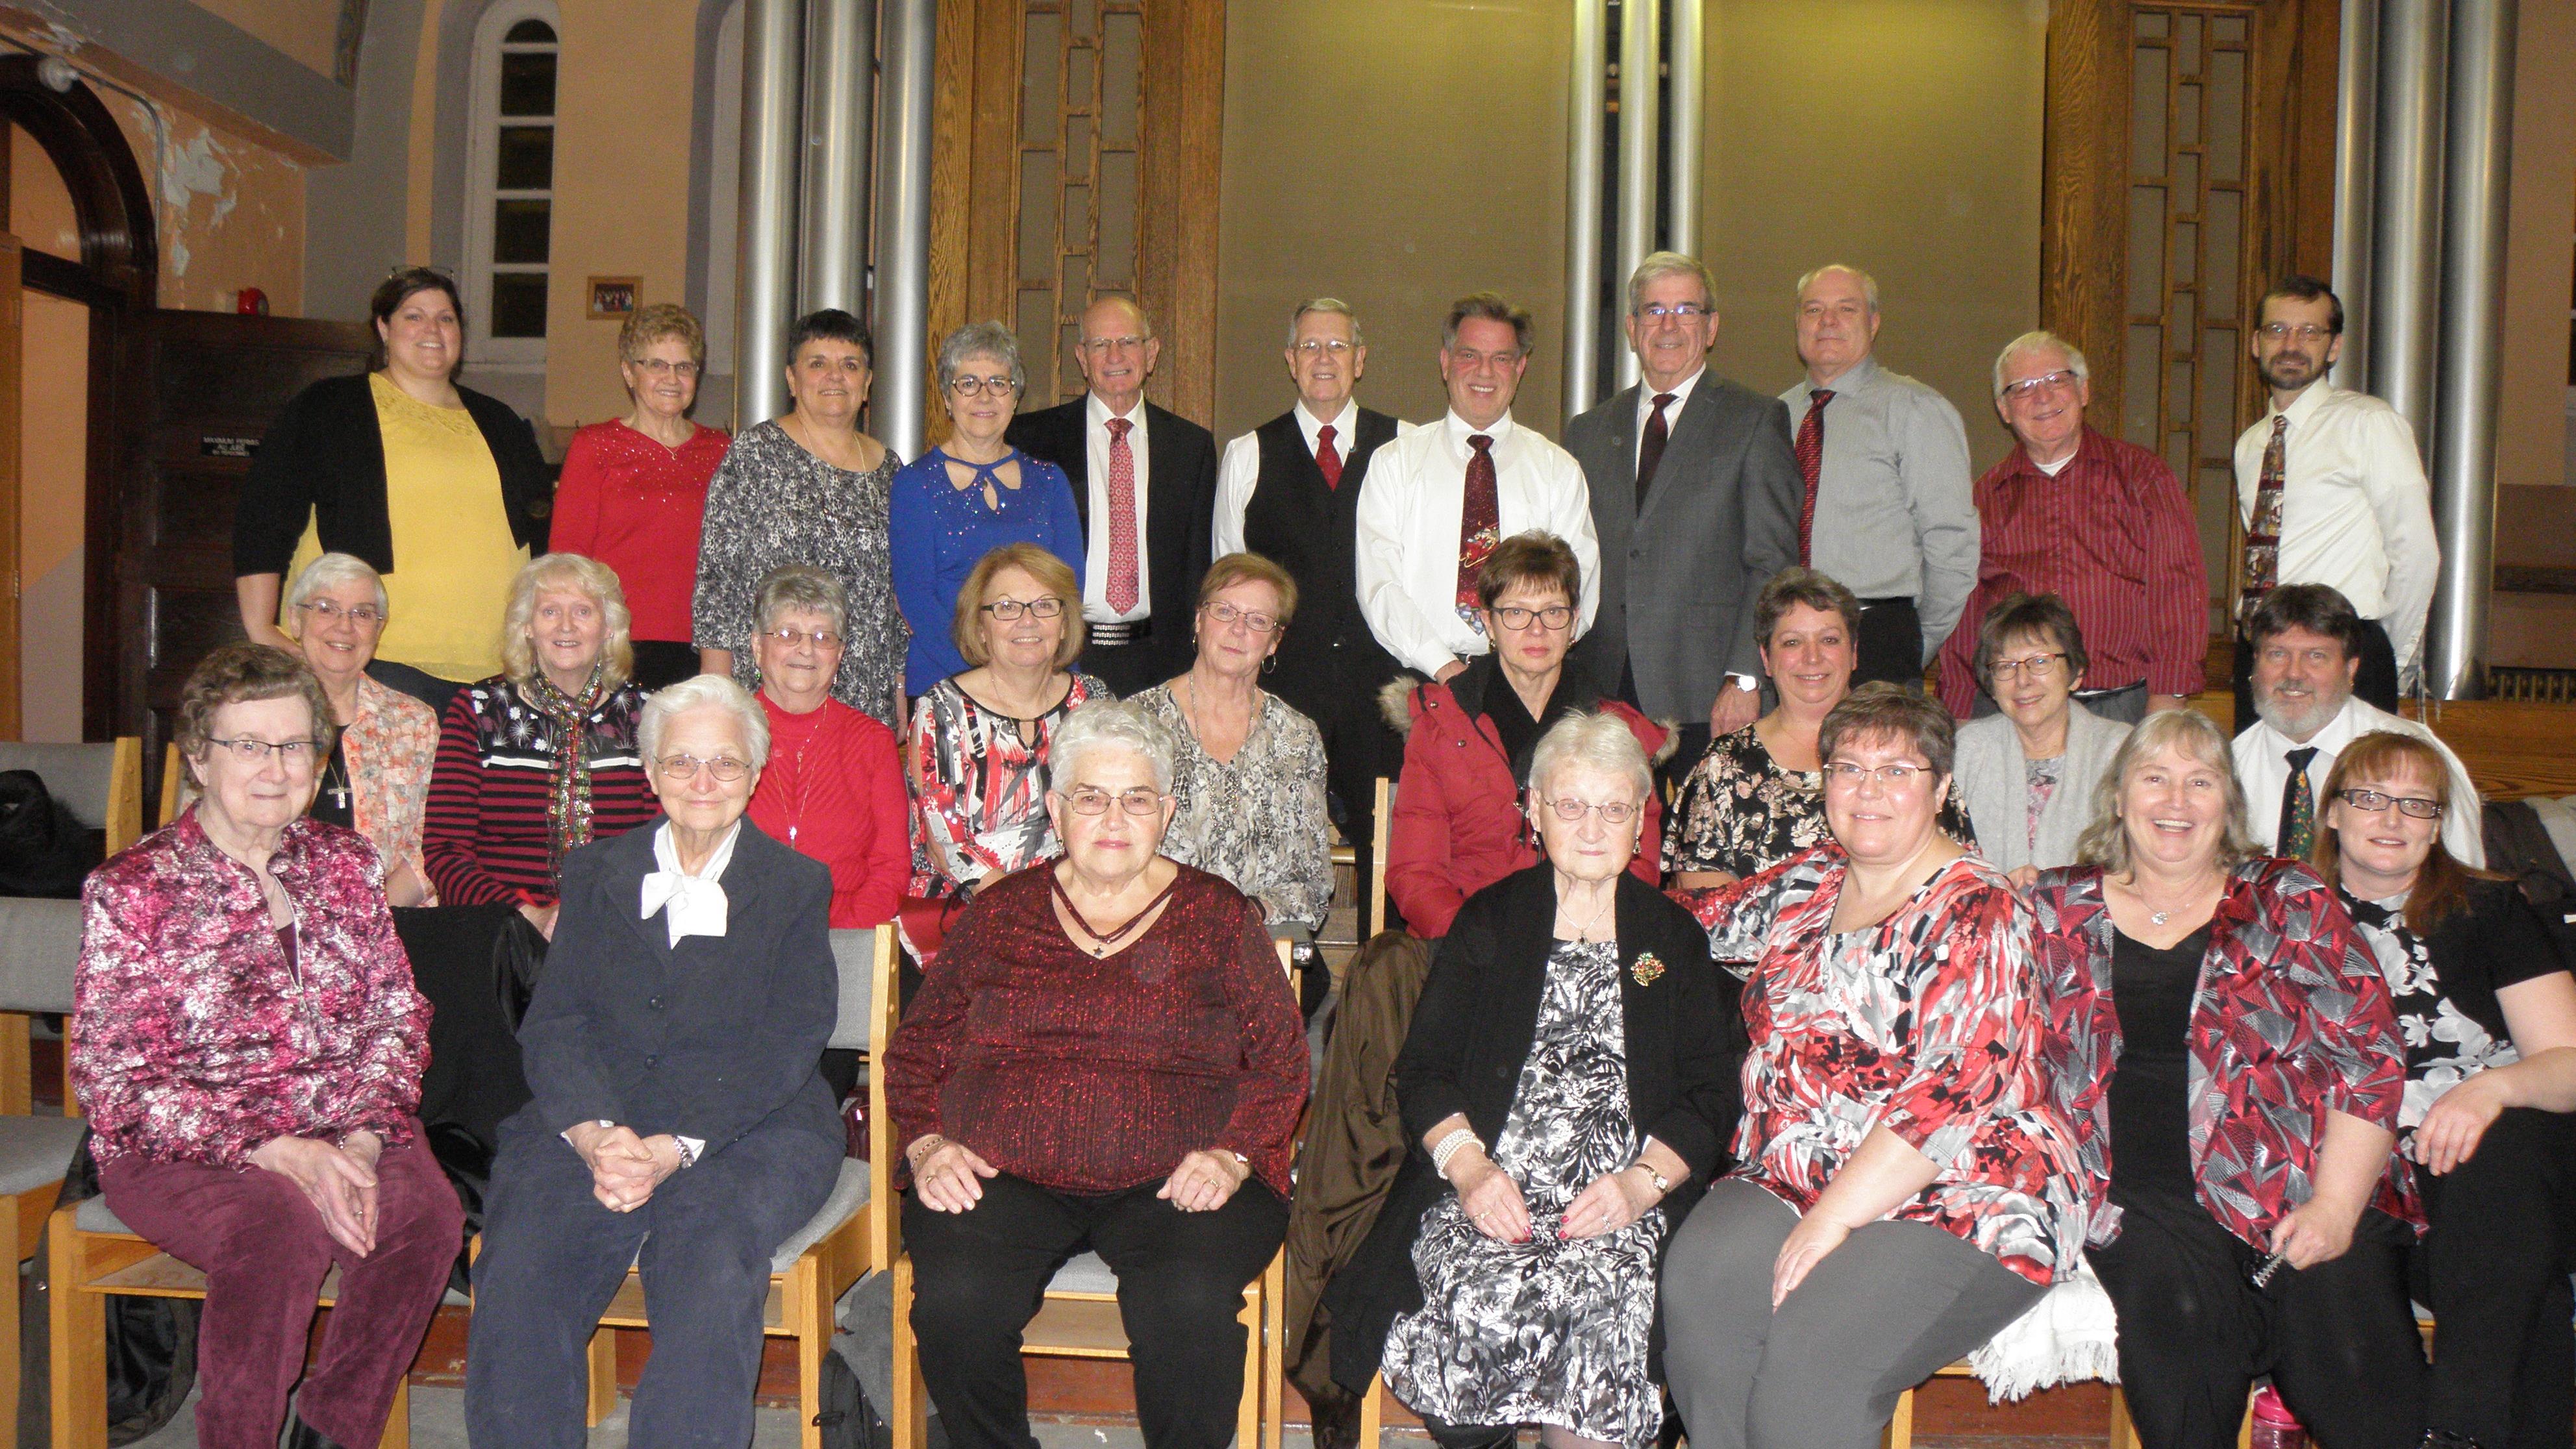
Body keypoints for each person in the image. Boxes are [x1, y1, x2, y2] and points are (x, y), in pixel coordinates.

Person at [1660, 686, 2085, 1449]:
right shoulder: (1808, 884)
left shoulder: (1978, 908)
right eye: (1849, 767)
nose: (1868, 790)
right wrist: (1575, 875)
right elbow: (1683, 927)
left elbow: (1951, 1096)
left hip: (1964, 1184)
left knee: (1812, 1365)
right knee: (1704, 1305)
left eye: (1897, 771)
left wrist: (1831, 1220)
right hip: (1795, 1165)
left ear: (1941, 788)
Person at [884, 700, 1307, 1449]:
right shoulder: (1002, 913)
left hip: (1179, 1176)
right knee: (955, 1301)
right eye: (1090, 796)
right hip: (1001, 1172)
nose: (1113, 817)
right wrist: (926, 1145)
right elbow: (916, 1049)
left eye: (1136, 798)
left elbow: (1281, 1061)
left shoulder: (1217, 916)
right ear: (1055, 808)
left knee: (1187, 1305)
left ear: (1167, 811)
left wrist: (1234, 1154)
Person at [76, 643, 460, 1449]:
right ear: (198, 760)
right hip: (187, 1146)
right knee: (277, 1232)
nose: (276, 767)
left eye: (293, 745)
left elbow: (399, 1016)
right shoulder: (133, 888)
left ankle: (328, 1433)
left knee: (424, 1217)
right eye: (248, 745)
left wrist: (357, 1140)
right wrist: (278, 1151)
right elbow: (117, 1083)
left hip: (346, 1120)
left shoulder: (346, 863)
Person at [1329, 712, 1744, 1449]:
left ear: (1640, 823)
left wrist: (1641, 1185)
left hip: (1621, 1195)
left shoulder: (1669, 938)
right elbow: (1423, 1069)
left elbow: (1713, 1090)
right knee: (1476, 1298)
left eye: (1614, 809)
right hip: (1492, 1187)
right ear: (1534, 812)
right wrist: (1470, 1170)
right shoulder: (1490, 920)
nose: (1592, 826)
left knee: (1606, 1304)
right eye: (1571, 805)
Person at [466, 675, 844, 1449]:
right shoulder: (596, 872)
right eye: (681, 763)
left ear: (755, 773)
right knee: (522, 1261)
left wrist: (679, 1146)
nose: (703, 784)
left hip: (752, 1123)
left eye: (725, 764)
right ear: (648, 772)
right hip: (594, 1108)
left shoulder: (796, 885)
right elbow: (558, 1020)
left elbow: (788, 1042)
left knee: (706, 1256)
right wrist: (593, 1133)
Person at [2030, 707, 2423, 1449]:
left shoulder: (2288, 900)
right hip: (2130, 1190)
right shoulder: (2053, 906)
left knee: (2347, 1353)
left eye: (2199, 781)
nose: (2175, 802)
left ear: (2228, 805)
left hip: (2294, 1177)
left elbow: (2368, 1058)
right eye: (2154, 779)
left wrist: (2336, 1207)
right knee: (2179, 1329)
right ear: (2119, 797)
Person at [2316, 731, 2576, 1449]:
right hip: (2354, 1173)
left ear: (2437, 825)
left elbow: (2568, 1062)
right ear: (2332, 812)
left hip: (2493, 1164)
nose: (2391, 819)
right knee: (2533, 1293)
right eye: (2370, 798)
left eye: (2414, 805)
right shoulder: (2286, 916)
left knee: (2501, 1159)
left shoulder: (2488, 909)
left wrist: (2490, 1090)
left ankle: (2459, 1426)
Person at [233, 267, 549, 708]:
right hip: (373, 663)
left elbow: (543, 533)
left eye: (446, 318)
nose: (432, 330)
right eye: (413, 316)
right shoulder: (330, 408)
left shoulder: (499, 422)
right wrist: (261, 629)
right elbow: (264, 516)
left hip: (495, 670)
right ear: (383, 327)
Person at [1566, 252, 1801, 767]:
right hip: (1605, 689)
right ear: (1631, 328)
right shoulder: (1586, 432)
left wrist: (1745, 676)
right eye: (1653, 311)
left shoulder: (1755, 420)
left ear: (1711, 326)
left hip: (1710, 692)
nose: (1668, 326)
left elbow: (1772, 562)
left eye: (1686, 310)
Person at [1212, 298, 1408, 908]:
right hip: (1281, 688)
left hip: (1381, 689)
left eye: (1338, 346)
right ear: (1291, 361)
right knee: (1266, 846)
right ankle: (1286, 984)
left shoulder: (1405, 447)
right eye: (1311, 347)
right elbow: (1228, 581)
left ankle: (1390, 984)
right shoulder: (1247, 454)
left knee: (1392, 851)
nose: (1324, 359)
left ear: (1360, 360)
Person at [1382, 532, 1663, 940]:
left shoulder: (1620, 731)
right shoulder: (1439, 725)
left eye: (1553, 612)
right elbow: (1416, 873)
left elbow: (1639, 866)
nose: (1536, 630)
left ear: (1574, 623)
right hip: (1466, 942)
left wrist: (1575, 935)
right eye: (1516, 612)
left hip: (1584, 939)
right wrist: (1477, 940)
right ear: (1487, 623)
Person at [1934, 331, 2205, 722]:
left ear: (2083, 391)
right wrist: (1959, 714)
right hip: (2015, 711)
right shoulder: (1985, 498)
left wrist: (2167, 702)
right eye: (2022, 388)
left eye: (2057, 380)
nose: (2042, 398)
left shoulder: (2144, 477)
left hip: (2125, 705)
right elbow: (1964, 613)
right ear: (2004, 409)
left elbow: (2178, 589)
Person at [1665, 568, 1974, 889]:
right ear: (1766, 659)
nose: (1812, 657)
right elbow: (1705, 902)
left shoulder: (1911, 747)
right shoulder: (1722, 766)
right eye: (1792, 642)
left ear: (1854, 653)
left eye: (1829, 640)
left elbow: (1955, 873)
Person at [1357, 293, 1601, 684]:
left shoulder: (1558, 470)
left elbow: (1581, 585)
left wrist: (1529, 661)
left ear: (1520, 367)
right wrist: (1444, 666)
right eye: (1470, 355)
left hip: (1529, 682)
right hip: (1421, 680)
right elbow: (1379, 584)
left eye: (1501, 358)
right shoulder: (1395, 464)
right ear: (1445, 362)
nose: (1485, 372)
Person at [422, 552, 661, 935]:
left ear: (609, 628)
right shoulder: (478, 711)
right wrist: (528, 916)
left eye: (583, 611)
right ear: (527, 627)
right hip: (503, 932)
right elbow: (444, 852)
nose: (566, 626)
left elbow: (666, 840)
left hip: (623, 924)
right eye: (549, 611)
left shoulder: (648, 716)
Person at [2231, 275, 2436, 717]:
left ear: (2334, 347)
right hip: (2262, 651)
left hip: (2343, 651)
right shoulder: (2250, 445)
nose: (2290, 344)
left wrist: (2382, 656)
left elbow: (2416, 553)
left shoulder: (2368, 423)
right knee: (2258, 785)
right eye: (2276, 330)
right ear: (2255, 343)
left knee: (2349, 787)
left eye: (2309, 332)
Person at [692, 308, 908, 727]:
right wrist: (717, 686)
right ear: (792, 380)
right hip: (768, 684)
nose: (834, 377)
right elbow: (717, 580)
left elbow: (895, 593)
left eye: (850, 365)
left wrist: (897, 683)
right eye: (817, 364)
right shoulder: (755, 454)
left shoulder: (890, 471)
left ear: (867, 383)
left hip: (863, 684)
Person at [1776, 265, 1978, 690]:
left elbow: (1952, 545)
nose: (1827, 321)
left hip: (1877, 638)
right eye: (1813, 309)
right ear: (1797, 324)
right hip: (1788, 641)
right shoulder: (1774, 417)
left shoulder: (1915, 410)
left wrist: (1913, 642)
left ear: (1873, 322)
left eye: (1845, 309)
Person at [1007, 296, 1219, 695]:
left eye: (1128, 342)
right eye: (1100, 344)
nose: (1115, 355)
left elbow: (1197, 564)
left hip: (1161, 660)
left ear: (1151, 353)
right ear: (1082, 358)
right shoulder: (1032, 440)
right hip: (1062, 654)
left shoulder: (1191, 447)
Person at [906, 544, 1114, 949]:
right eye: (1006, 607)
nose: (1028, 621)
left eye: (1044, 606)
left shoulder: (1093, 701)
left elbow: (1112, 811)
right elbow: (945, 842)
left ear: (1066, 623)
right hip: (970, 909)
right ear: (980, 627)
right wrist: (1037, 913)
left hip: (1082, 904)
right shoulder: (941, 709)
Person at [1130, 553, 1333, 937]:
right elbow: (1113, 853)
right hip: (1153, 935)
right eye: (1225, 611)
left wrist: (1249, 913)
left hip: (1259, 938)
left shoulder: (1298, 735)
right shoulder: (1137, 722)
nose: (1238, 629)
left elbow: (1312, 880)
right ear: (1199, 619)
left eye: (1258, 621)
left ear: (1275, 641)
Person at [892, 321, 1085, 697]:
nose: (984, 397)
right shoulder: (914, 485)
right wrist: (991, 679)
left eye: (999, 383)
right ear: (948, 398)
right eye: (968, 383)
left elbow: (1069, 591)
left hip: (1042, 682)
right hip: (947, 684)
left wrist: (1034, 674)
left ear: (1015, 398)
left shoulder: (1050, 481)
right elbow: (916, 601)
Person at [2231, 582, 2482, 864]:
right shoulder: (2231, 765)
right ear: (2256, 662)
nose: (2294, 673)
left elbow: (2466, 877)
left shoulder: (2417, 754)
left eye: (2316, 656)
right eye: (2277, 654)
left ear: (2351, 669)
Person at [551, 303, 731, 691]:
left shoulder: (722, 450)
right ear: (629, 372)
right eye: (656, 365)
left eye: (684, 367)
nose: (672, 378)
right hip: (614, 643)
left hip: (706, 648)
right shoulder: (594, 446)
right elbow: (568, 559)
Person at [743, 565, 909, 928]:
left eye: (823, 638)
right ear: (758, 645)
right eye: (788, 634)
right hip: (738, 934)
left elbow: (892, 866)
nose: (806, 649)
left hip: (845, 937)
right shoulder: (725, 733)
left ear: (840, 653)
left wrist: (842, 931)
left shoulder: (872, 742)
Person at [282, 552, 438, 906]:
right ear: (295, 620)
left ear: (379, 629)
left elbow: (435, 842)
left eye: (362, 614)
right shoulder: (258, 718)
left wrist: (372, 916)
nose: (344, 627)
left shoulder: (414, 722)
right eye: (326, 608)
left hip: (391, 920)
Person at [1951, 593, 2132, 882]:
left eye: (2040, 661)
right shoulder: (1968, 749)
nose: (2023, 680)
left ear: (2075, 674)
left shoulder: (2120, 750)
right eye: (2006, 666)